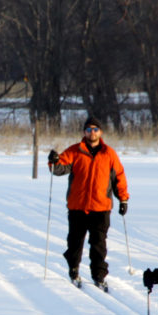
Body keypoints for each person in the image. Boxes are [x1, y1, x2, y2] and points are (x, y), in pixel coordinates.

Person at [47, 116, 129, 292]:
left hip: (101, 208)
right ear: (84, 132)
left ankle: (99, 275)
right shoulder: (75, 151)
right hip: (78, 207)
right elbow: (59, 168)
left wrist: (123, 199)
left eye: (95, 129)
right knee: (75, 242)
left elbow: (119, 178)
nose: (92, 132)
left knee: (99, 244)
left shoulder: (109, 154)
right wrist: (53, 161)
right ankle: (74, 269)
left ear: (100, 132)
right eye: (89, 129)